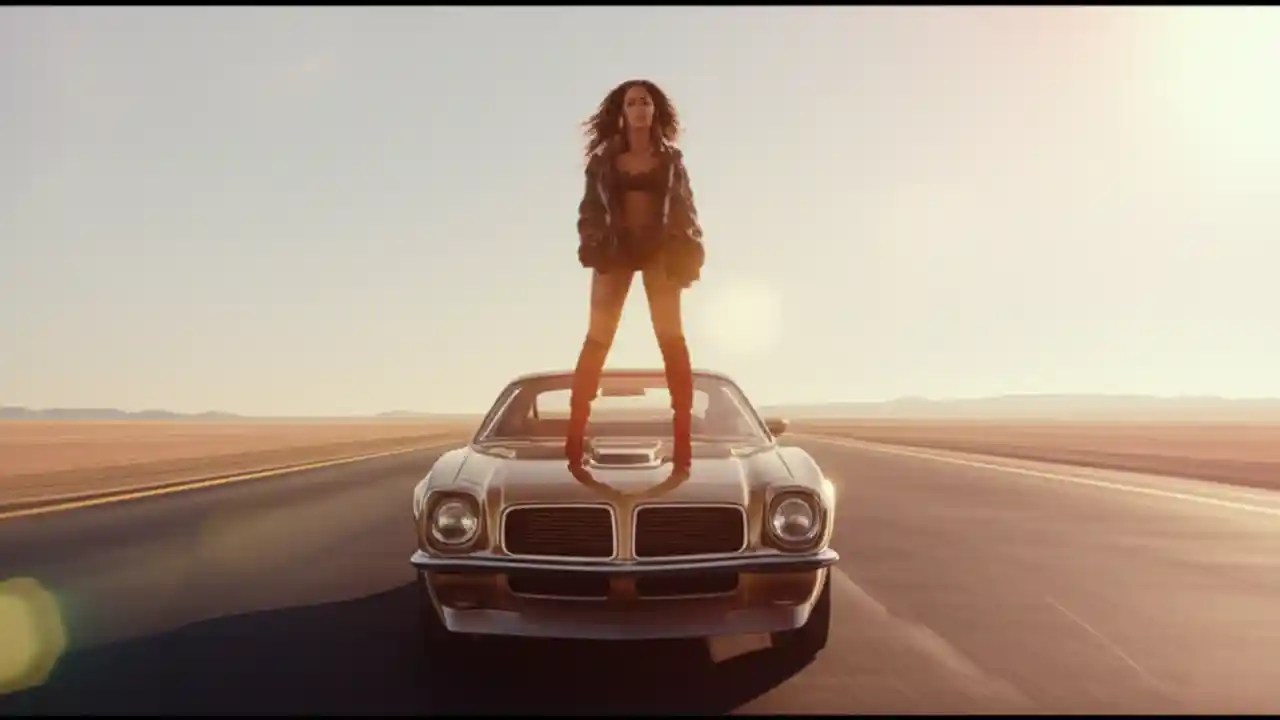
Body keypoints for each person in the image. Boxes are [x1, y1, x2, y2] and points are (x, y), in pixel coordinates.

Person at [566, 78, 705, 471]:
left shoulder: (672, 160)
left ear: (655, 110)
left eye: (645, 101)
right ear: (622, 112)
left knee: (671, 337)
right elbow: (590, 209)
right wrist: (592, 244)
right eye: (632, 102)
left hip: (661, 251)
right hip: (615, 250)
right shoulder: (603, 160)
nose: (640, 107)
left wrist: (691, 250)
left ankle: (683, 438)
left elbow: (685, 208)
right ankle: (574, 437)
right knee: (598, 337)